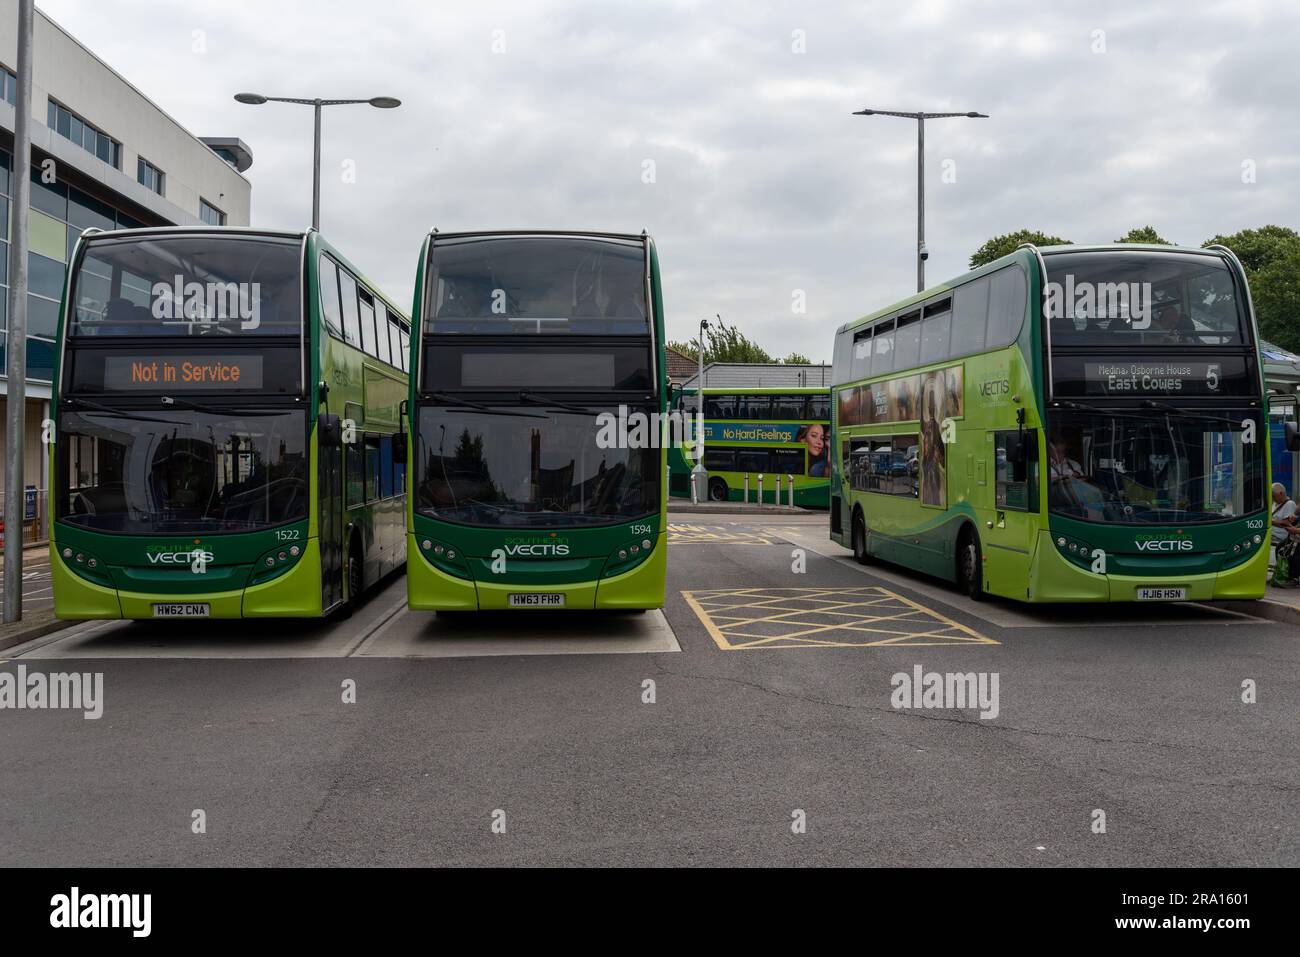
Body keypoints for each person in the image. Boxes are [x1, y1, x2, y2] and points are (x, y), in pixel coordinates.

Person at [1270, 483, 1298, 586]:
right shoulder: (1275, 504)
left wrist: (1270, 521)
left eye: (1274, 495)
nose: (1273, 498)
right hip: (1271, 532)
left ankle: (1281, 573)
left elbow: (1287, 523)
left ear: (1281, 493)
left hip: (1281, 535)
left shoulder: (1290, 504)